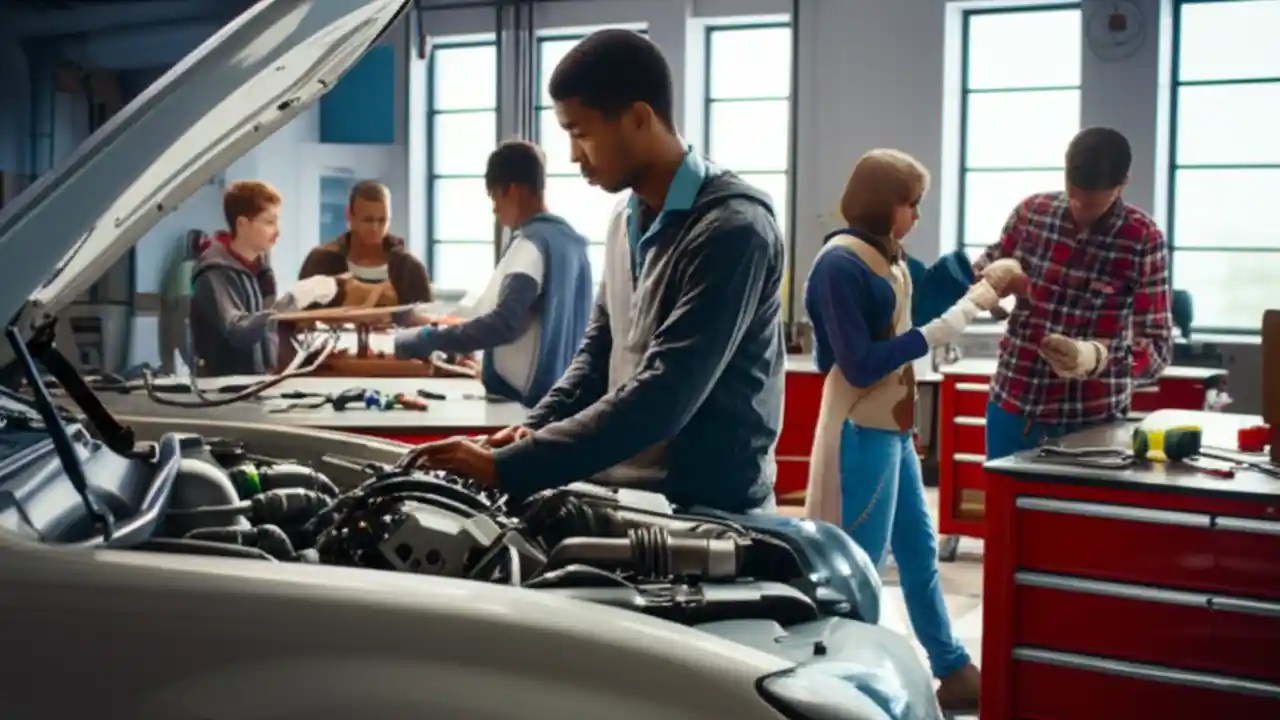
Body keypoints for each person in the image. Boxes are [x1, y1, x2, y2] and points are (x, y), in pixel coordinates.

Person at [403, 29, 786, 514]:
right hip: (631, 496)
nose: (573, 155)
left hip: (710, 512)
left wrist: (511, 467)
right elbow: (598, 353)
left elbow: (666, 393)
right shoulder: (625, 218)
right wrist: (531, 429)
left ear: (639, 118)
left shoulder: (733, 230)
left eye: (580, 133)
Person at [802, 149, 1025, 712]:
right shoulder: (840, 264)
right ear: (884, 202)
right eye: (912, 203)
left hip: (891, 430)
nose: (917, 216)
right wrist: (949, 323)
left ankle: (951, 666)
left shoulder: (889, 259)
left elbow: (921, 300)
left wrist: (979, 286)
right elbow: (859, 364)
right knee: (861, 565)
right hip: (861, 426)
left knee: (919, 554)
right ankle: (846, 682)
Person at [974, 127, 1173, 460]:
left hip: (1091, 424)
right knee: (1004, 496)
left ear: (1122, 184)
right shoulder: (1031, 213)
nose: (1079, 208)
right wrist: (991, 282)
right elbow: (982, 274)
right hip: (1013, 408)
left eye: (1092, 202)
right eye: (1074, 194)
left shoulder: (1142, 239)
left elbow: (1157, 348)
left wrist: (1094, 357)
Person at [393, 140, 593, 407]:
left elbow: (504, 324)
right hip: (563, 399)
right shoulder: (573, 244)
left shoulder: (530, 244)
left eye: (494, 197)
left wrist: (425, 339)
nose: (494, 209)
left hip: (521, 404)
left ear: (512, 190)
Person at [190, 180, 338, 376]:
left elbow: (268, 328)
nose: (278, 232)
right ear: (242, 224)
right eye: (269, 222)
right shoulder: (213, 273)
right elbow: (238, 332)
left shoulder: (261, 270)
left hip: (259, 381)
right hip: (223, 387)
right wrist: (289, 302)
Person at [298, 180, 432, 314]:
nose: (375, 228)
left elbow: (427, 318)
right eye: (368, 220)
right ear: (349, 216)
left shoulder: (408, 268)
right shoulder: (321, 262)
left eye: (382, 220)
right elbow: (299, 314)